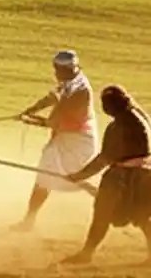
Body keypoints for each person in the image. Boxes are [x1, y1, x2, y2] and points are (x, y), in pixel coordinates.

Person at [60, 85, 151, 266]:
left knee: (102, 213)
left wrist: (79, 176)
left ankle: (86, 254)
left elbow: (105, 158)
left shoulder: (122, 126)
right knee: (142, 217)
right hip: (145, 175)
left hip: (125, 178)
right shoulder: (138, 116)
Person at [13, 49, 100, 231]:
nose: (55, 73)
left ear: (63, 69)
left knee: (80, 178)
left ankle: (114, 204)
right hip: (66, 136)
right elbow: (53, 97)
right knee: (46, 176)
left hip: (79, 140)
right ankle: (29, 221)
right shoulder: (71, 81)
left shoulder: (80, 91)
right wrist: (31, 109)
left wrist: (31, 120)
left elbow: (55, 122)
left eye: (57, 69)